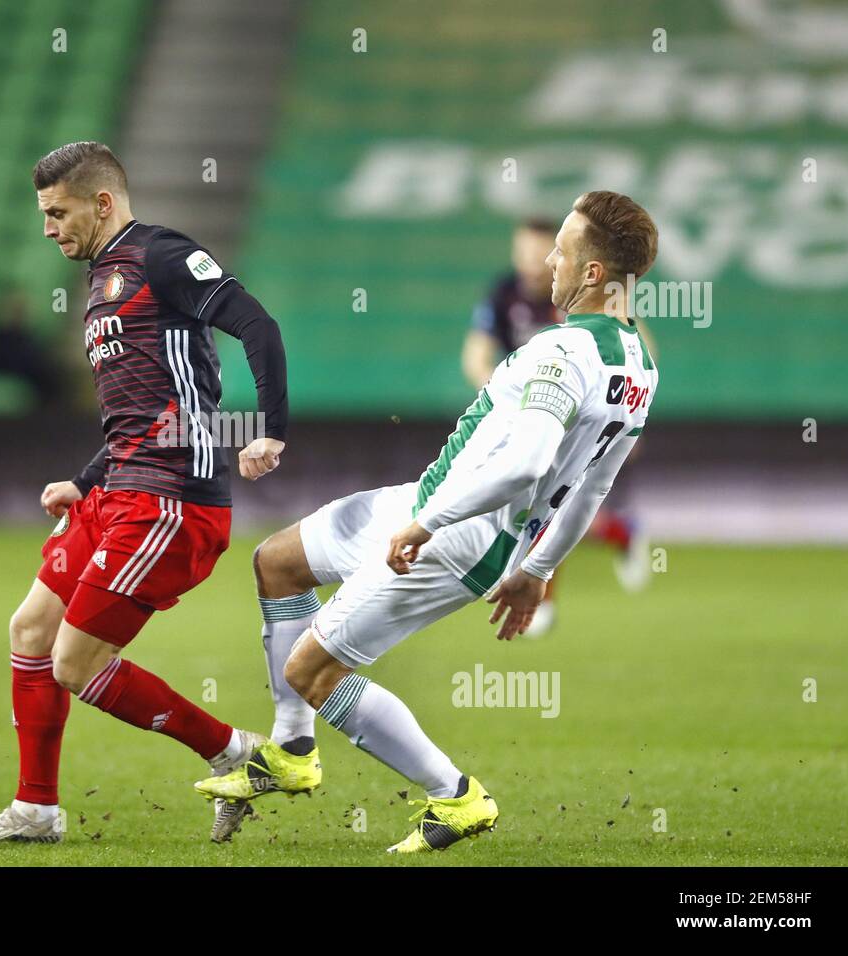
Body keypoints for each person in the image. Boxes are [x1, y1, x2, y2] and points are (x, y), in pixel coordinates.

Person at [197, 191, 660, 855]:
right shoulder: (640, 367)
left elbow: (527, 465)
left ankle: (455, 794)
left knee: (313, 672)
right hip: (432, 505)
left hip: (454, 534)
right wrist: (537, 569)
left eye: (562, 248)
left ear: (592, 274)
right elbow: (597, 486)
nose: (548, 260)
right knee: (277, 561)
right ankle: (293, 747)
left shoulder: (564, 352)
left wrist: (429, 524)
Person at [0, 141, 311, 845]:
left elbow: (256, 325)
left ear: (103, 203)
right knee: (30, 629)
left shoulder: (161, 255)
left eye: (57, 213)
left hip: (172, 500)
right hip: (120, 489)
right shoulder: (102, 280)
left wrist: (269, 428)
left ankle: (236, 752)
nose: (48, 227)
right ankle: (36, 810)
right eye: (44, 214)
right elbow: (144, 411)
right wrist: (84, 481)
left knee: (73, 662)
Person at [462, 219, 651, 637]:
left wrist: (632, 412)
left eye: (541, 251)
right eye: (523, 251)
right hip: (528, 412)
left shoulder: (577, 295)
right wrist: (501, 397)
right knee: (545, 505)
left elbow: (635, 342)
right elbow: (476, 356)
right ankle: (620, 533)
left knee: (551, 503)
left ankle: (538, 596)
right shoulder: (502, 293)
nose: (532, 261)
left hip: (576, 414)